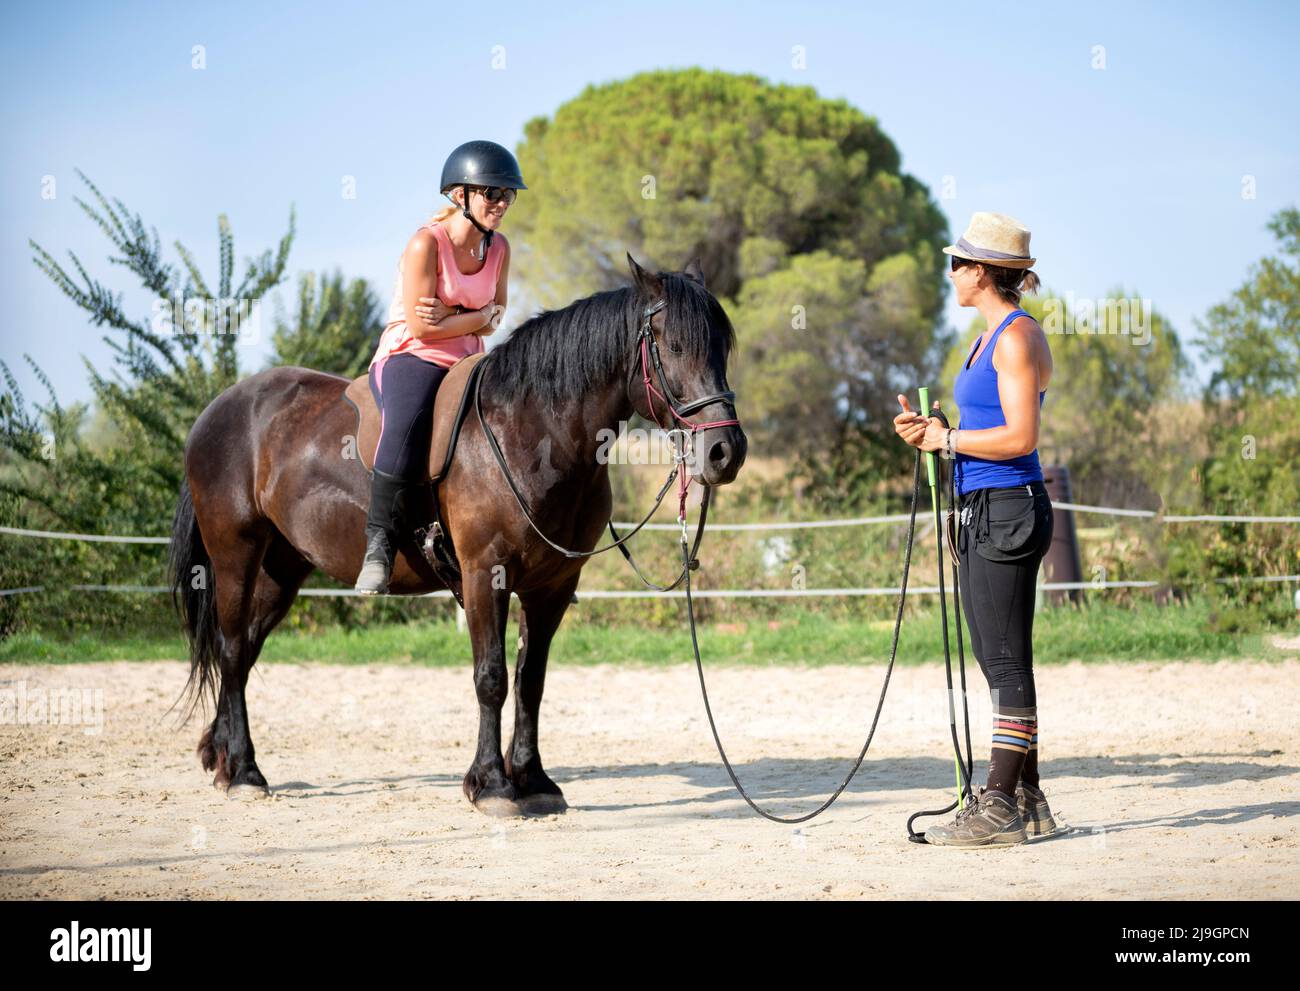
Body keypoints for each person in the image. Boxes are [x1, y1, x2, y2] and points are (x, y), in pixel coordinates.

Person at [893, 211, 1059, 846]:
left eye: (957, 263)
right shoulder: (986, 338)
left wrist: (950, 437)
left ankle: (999, 807)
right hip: (983, 509)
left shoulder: (1015, 338)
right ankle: (1024, 795)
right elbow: (981, 430)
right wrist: (935, 438)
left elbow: (1021, 436)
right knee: (1000, 661)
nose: (951, 273)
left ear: (984, 272)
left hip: (1009, 509)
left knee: (1006, 660)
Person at [354, 140, 524, 594]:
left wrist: (456, 318)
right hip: (412, 355)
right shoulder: (424, 244)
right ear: (459, 195)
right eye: (492, 193)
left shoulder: (500, 248)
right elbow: (422, 328)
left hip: (470, 358)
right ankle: (379, 546)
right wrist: (475, 317)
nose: (502, 203)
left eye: (508, 194)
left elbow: (497, 316)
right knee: (407, 424)